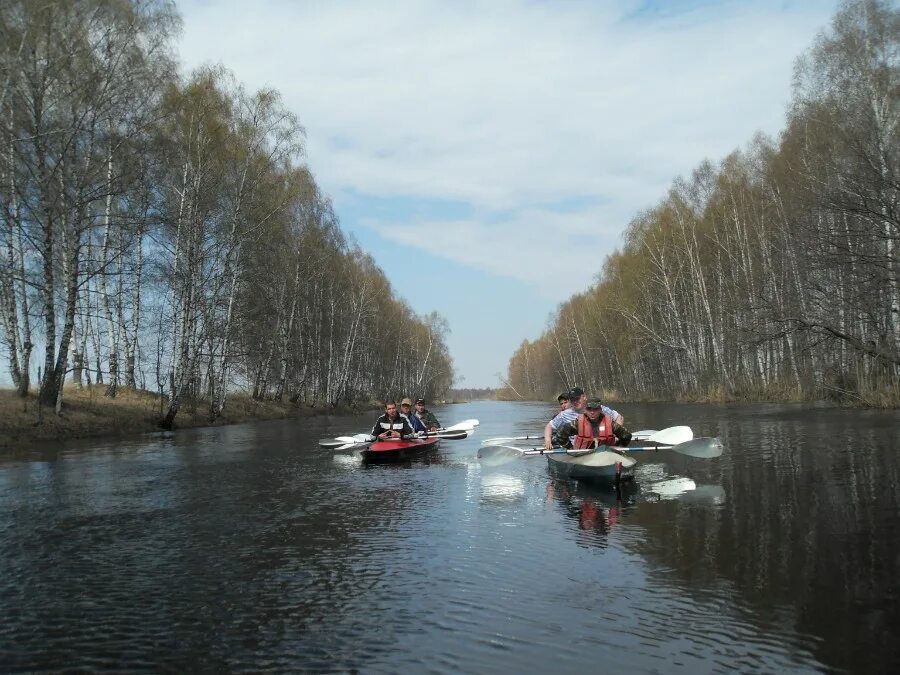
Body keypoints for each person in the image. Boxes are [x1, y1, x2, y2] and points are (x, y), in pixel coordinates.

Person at [544, 387, 625, 450]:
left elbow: (619, 417)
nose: (575, 401)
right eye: (572, 400)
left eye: (577, 398)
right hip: (577, 450)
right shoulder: (564, 414)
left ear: (584, 397)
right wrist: (548, 440)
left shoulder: (600, 408)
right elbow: (549, 426)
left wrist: (616, 434)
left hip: (601, 447)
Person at [554, 398, 632, 450]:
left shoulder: (610, 423)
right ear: (585, 410)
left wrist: (618, 446)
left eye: (595, 409)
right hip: (583, 455)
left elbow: (626, 435)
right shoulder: (578, 423)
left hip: (606, 455)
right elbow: (560, 434)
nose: (592, 412)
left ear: (600, 410)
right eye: (589, 409)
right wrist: (571, 448)